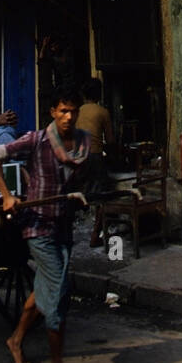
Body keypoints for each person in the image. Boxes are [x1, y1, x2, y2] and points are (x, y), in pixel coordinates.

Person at [0, 86, 90, 363]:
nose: (68, 117)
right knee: (58, 294)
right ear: (53, 112)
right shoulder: (37, 140)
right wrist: (7, 195)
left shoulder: (82, 144)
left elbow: (83, 178)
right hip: (37, 226)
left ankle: (16, 339)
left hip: (63, 226)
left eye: (73, 111)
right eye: (63, 111)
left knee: (46, 285)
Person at [76, 78, 114, 248]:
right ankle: (95, 234)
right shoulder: (102, 112)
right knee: (103, 197)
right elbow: (111, 140)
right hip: (94, 156)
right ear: (99, 94)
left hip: (77, 157)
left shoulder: (77, 111)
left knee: (79, 193)